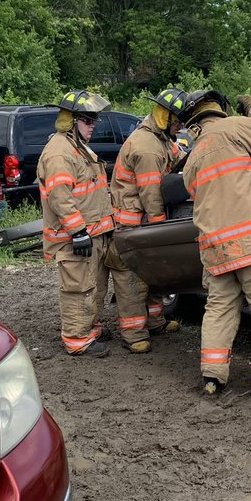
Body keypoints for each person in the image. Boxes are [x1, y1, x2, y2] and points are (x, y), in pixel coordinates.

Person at [182, 89, 251, 396]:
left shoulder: (194, 157)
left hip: (215, 248)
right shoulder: (234, 127)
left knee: (219, 308)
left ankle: (212, 379)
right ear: (220, 110)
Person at [107, 86, 189, 352]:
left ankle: (155, 322)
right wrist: (159, 228)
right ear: (166, 117)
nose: (181, 126)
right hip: (131, 224)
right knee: (133, 279)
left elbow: (180, 160)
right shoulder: (147, 148)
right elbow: (151, 193)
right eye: (178, 121)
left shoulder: (161, 139)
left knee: (153, 274)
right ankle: (134, 334)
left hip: (142, 220)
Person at [37, 90, 117, 357]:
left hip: (93, 233)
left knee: (93, 285)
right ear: (71, 121)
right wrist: (78, 231)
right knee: (77, 288)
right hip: (75, 237)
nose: (92, 126)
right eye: (87, 120)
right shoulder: (60, 152)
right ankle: (77, 339)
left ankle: (89, 328)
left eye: (94, 121)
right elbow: (60, 196)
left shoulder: (77, 146)